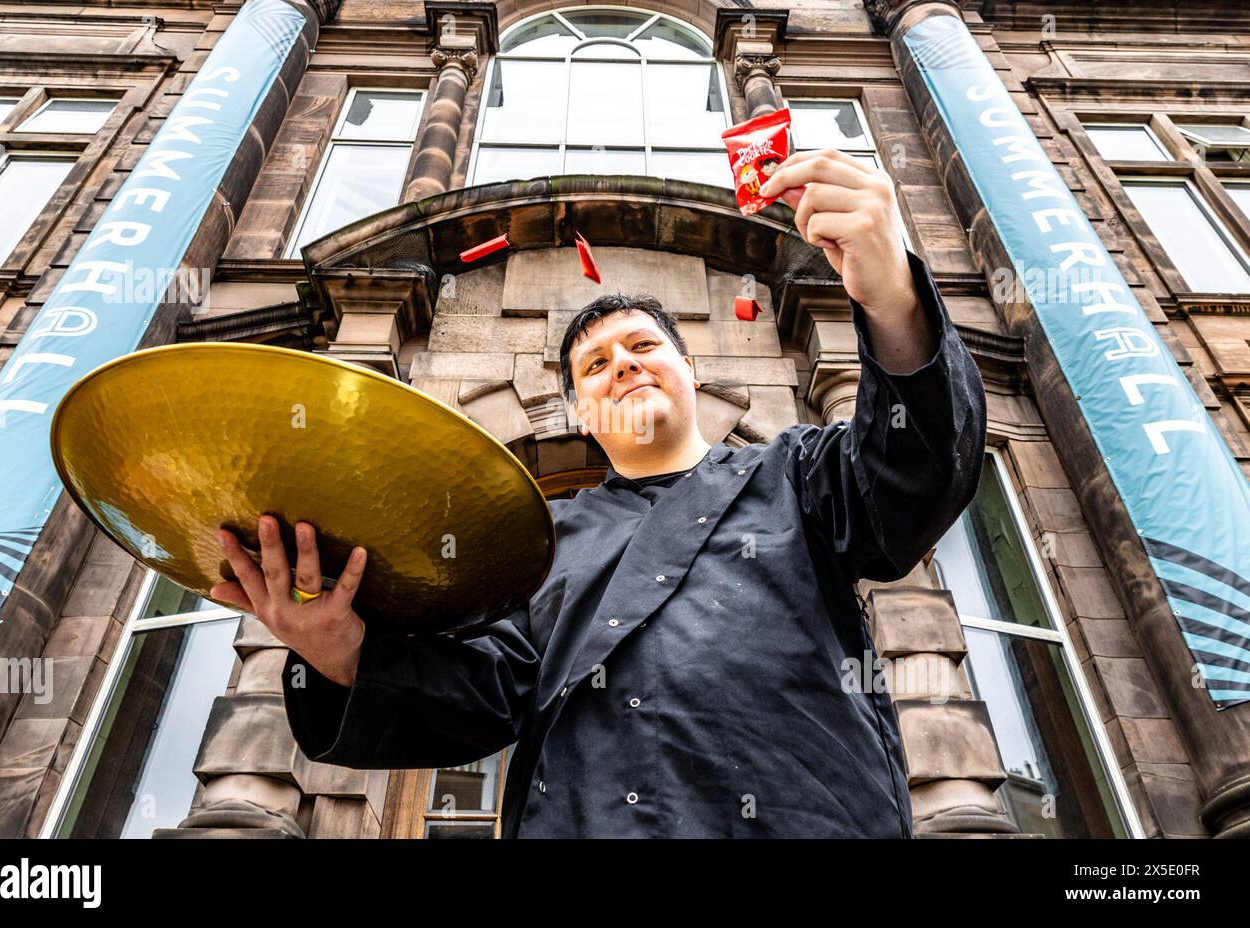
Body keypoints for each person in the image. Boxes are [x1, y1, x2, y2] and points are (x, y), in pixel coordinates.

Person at [211, 148, 987, 837]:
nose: (622, 364)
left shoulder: (798, 473)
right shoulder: (539, 542)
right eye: (595, 364)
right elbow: (483, 694)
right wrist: (339, 650)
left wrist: (892, 299)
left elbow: (912, 481)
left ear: (690, 374)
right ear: (582, 413)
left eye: (645, 347)